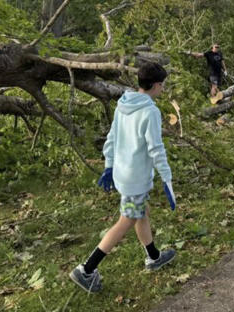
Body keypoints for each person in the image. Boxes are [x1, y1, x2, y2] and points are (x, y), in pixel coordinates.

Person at [70, 62, 177, 293]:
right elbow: (156, 149)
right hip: (134, 180)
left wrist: (109, 166)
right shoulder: (150, 111)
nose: (163, 89)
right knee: (126, 220)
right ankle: (87, 270)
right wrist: (167, 180)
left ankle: (153, 256)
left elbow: (111, 139)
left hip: (122, 173)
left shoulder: (123, 104)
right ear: (157, 85)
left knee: (141, 213)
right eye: (163, 86)